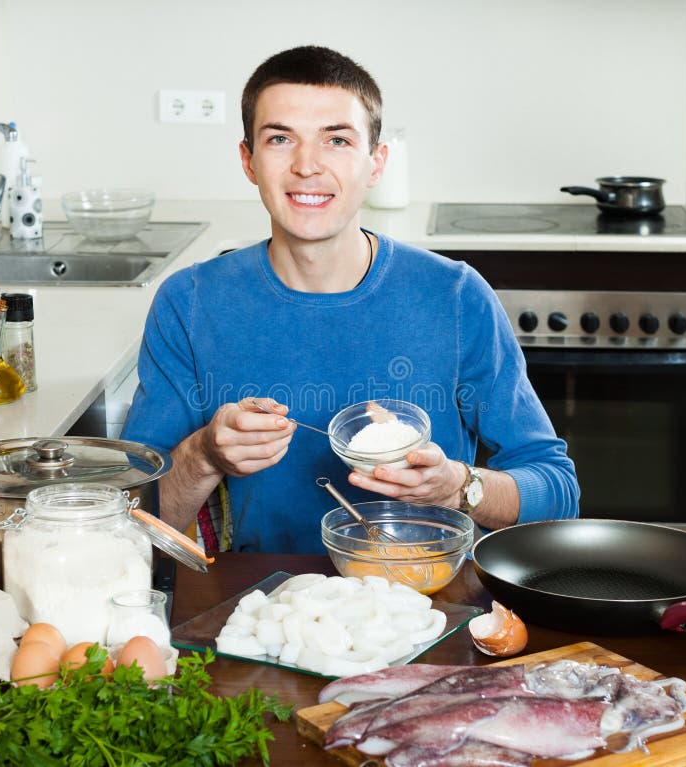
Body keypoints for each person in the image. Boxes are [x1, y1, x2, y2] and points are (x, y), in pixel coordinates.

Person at [121, 45, 579, 553]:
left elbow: (557, 491)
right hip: (261, 608)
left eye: (337, 140)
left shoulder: (454, 297)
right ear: (249, 161)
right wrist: (205, 455)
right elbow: (132, 522)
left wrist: (459, 487)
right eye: (280, 138)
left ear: (376, 162)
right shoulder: (190, 302)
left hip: (429, 603)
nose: (307, 166)